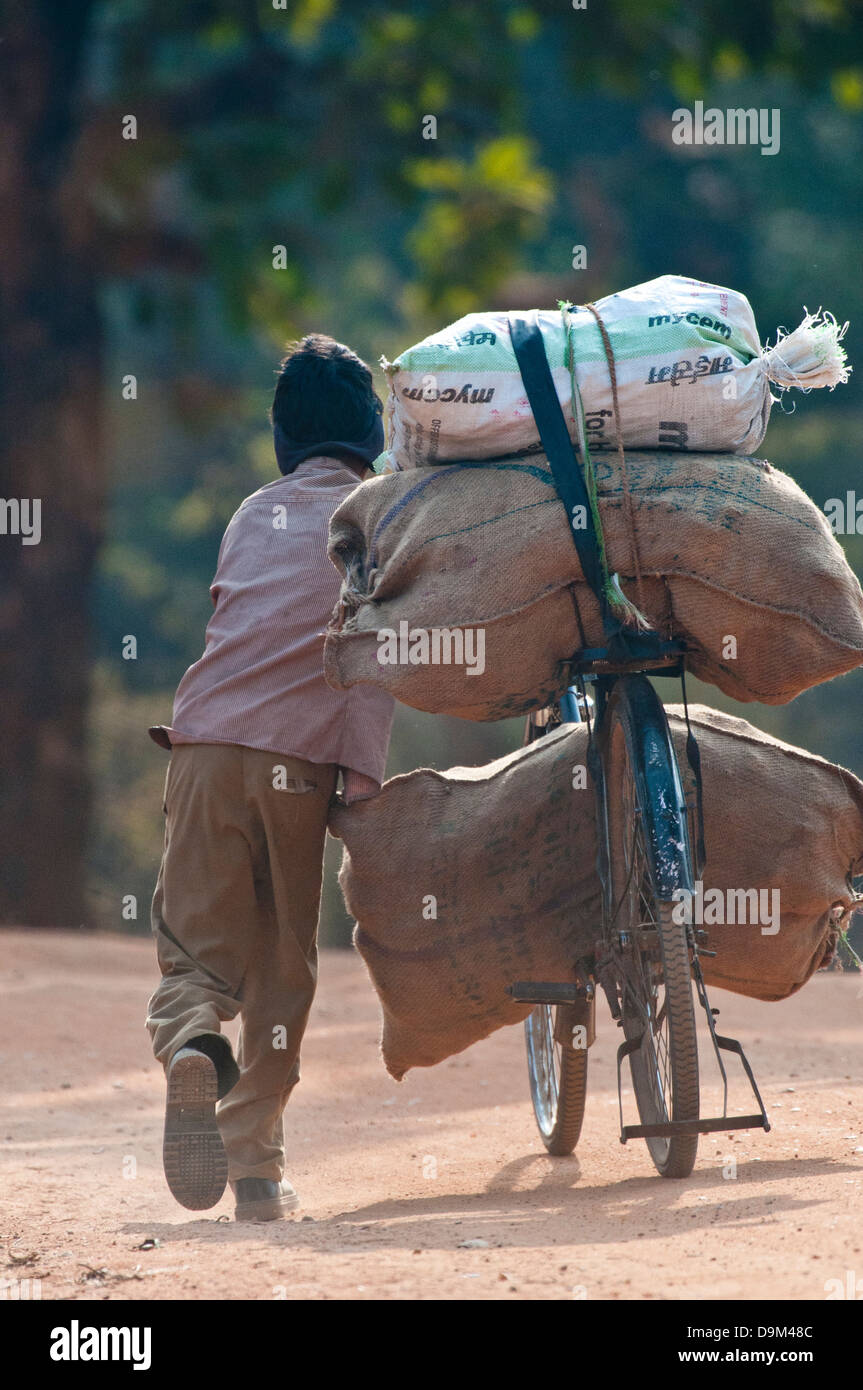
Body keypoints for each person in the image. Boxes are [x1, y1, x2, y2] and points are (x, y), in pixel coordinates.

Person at [146, 335, 394, 1222]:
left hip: (205, 744)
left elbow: (239, 617)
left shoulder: (253, 512)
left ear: (282, 440)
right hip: (299, 767)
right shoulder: (382, 520)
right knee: (282, 976)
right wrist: (361, 785)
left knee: (194, 951)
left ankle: (190, 1040)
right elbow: (372, 659)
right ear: (373, 432)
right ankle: (254, 1172)